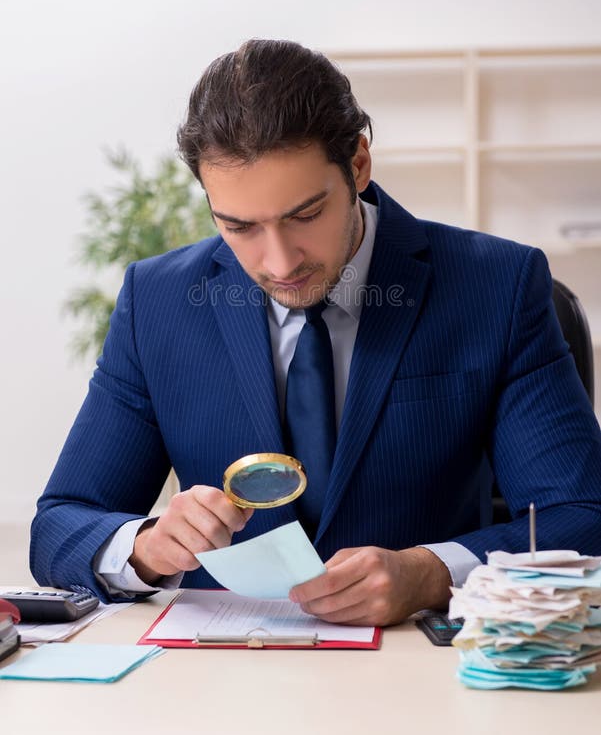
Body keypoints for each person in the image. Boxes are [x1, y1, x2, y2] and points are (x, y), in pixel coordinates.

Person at [31, 39, 601, 626]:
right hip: (222, 674)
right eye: (239, 226)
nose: (278, 263)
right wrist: (146, 546)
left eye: (304, 215)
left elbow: (583, 514)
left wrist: (432, 572)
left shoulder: (496, 286)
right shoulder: (159, 303)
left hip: (420, 664)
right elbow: (60, 526)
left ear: (358, 163)